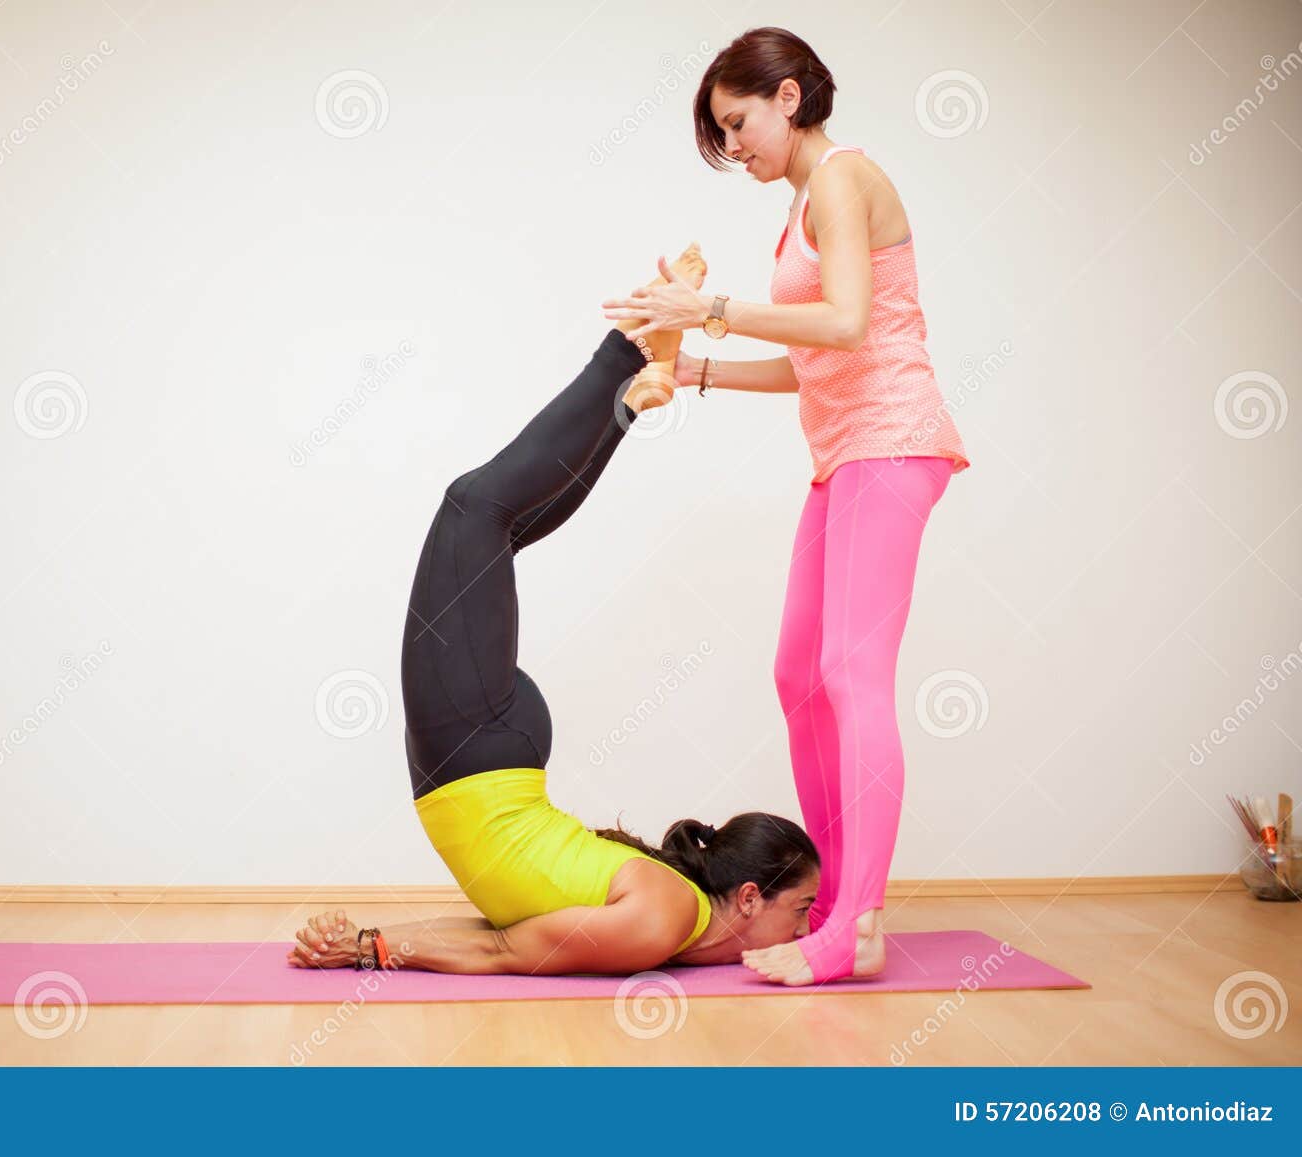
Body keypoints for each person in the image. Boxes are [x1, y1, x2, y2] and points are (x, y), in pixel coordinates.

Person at [288, 249, 819, 976]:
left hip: (493, 758)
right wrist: (363, 948)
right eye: (804, 909)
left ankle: (631, 392)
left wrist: (368, 940)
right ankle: (632, 351)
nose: (809, 928)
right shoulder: (663, 917)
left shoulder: (667, 915)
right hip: (477, 755)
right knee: (475, 510)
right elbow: (504, 948)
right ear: (752, 898)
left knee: (489, 522)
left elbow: (498, 928)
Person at [600, 28, 970, 986]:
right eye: (721, 132)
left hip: (892, 443)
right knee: (798, 676)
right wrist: (696, 369)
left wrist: (708, 309)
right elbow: (813, 356)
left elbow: (847, 321)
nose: (734, 148)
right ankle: (839, 903)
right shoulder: (802, 204)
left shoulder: (845, 178)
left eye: (738, 123)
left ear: (790, 96)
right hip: (842, 457)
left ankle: (857, 924)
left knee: (852, 676)